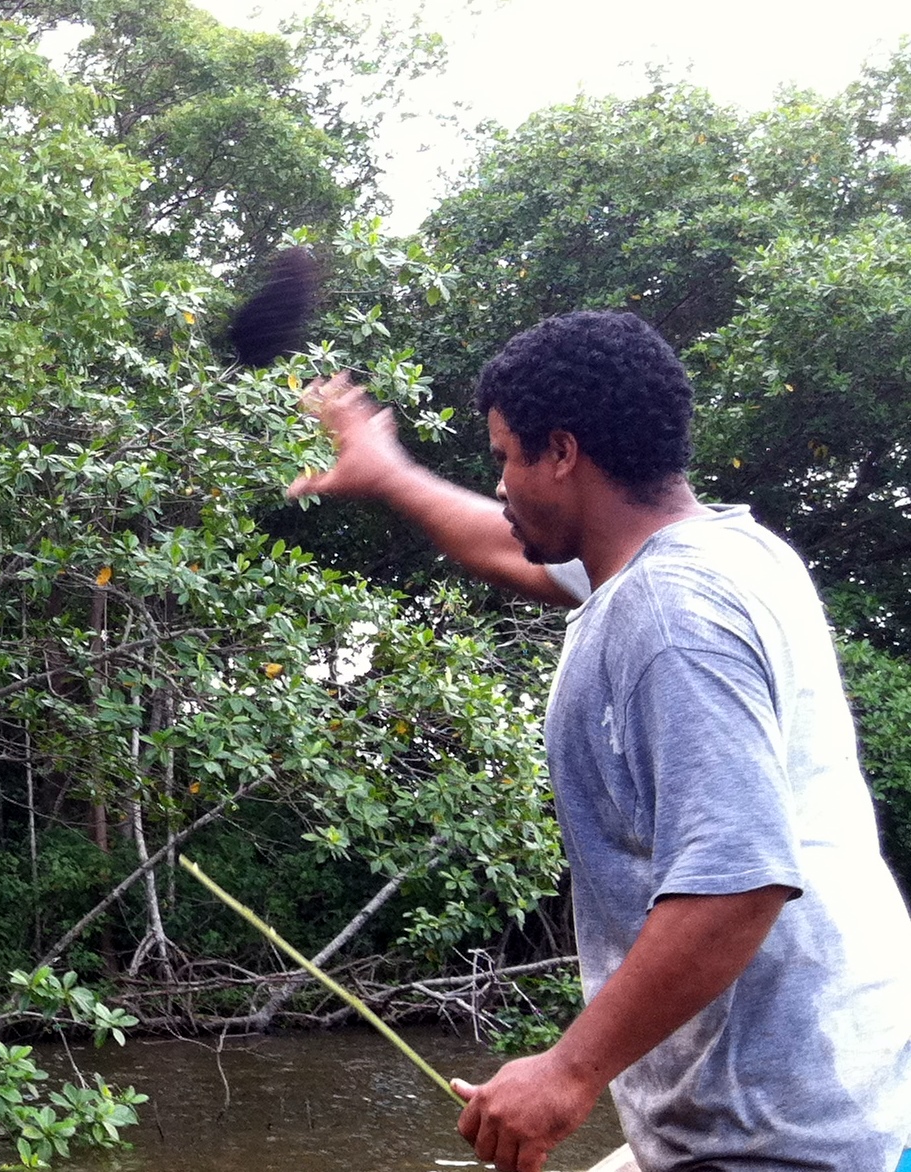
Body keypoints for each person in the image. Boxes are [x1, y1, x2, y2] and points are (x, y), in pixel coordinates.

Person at [289, 311, 911, 1172]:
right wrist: (387, 474)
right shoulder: (732, 551)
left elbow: (740, 880)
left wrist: (565, 1073)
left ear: (562, 452)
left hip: (773, 1132)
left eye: (507, 454)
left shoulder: (669, 614)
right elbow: (506, 549)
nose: (500, 483)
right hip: (836, 1088)